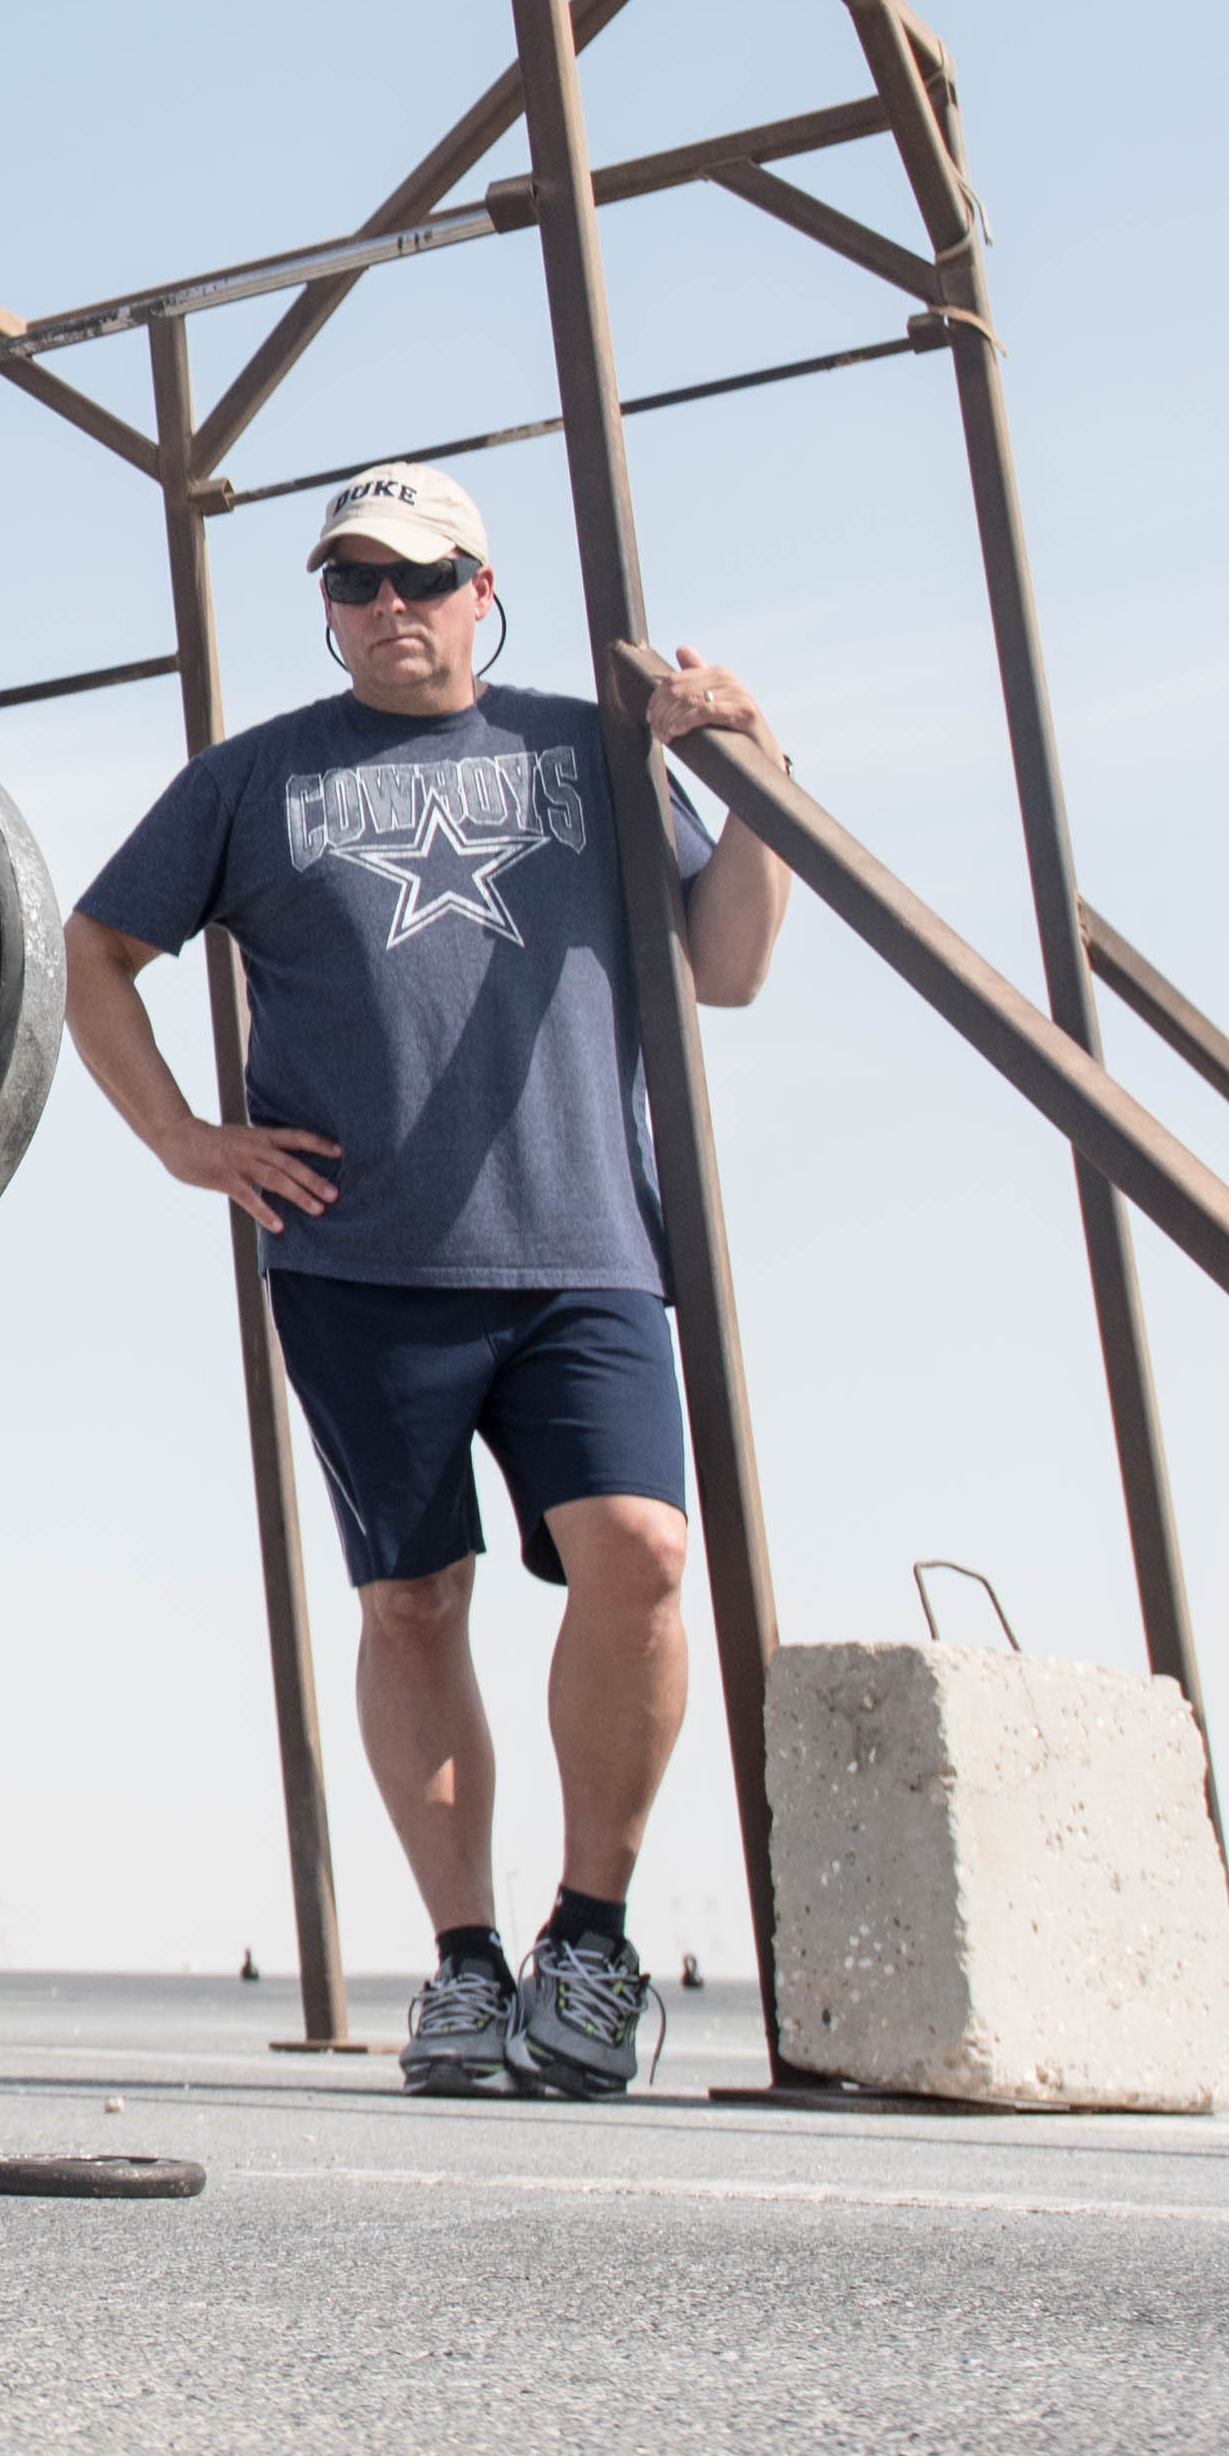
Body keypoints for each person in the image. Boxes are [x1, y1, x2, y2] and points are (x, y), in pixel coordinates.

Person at [58, 458, 794, 2099]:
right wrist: (182, 1132)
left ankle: (586, 1939)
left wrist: (748, 772)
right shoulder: (253, 780)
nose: (388, 606)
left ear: (482, 592)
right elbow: (92, 952)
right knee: (411, 1600)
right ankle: (462, 1965)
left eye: (421, 577)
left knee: (644, 1560)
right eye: (354, 581)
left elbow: (727, 962)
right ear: (325, 608)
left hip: (585, 1248)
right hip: (358, 1259)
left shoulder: (581, 752)